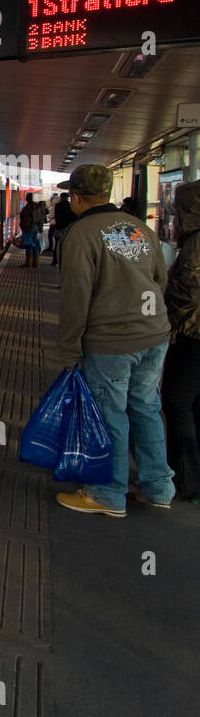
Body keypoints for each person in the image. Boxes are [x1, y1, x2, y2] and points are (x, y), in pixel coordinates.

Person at [54, 165, 173, 516]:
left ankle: (108, 493)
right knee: (146, 408)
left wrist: (68, 348)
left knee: (109, 416)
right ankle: (158, 487)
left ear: (76, 198)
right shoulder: (140, 228)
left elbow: (76, 298)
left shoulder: (81, 233)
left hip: (112, 343)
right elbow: (159, 279)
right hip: (154, 335)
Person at [162, 180, 200, 500]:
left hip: (192, 336)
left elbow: (185, 293)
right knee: (193, 403)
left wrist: (165, 320)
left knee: (176, 401)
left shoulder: (196, 243)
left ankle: (186, 477)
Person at [51, 192, 75, 267]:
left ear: (61, 197)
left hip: (59, 227)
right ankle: (63, 262)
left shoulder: (58, 206)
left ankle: (55, 261)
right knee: (65, 246)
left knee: (57, 245)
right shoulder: (71, 206)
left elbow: (56, 216)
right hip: (67, 228)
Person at [18, 193, 41, 268]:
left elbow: (25, 220)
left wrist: (23, 227)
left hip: (29, 229)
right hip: (35, 228)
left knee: (29, 245)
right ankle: (36, 263)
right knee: (35, 245)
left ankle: (28, 263)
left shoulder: (27, 208)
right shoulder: (37, 207)